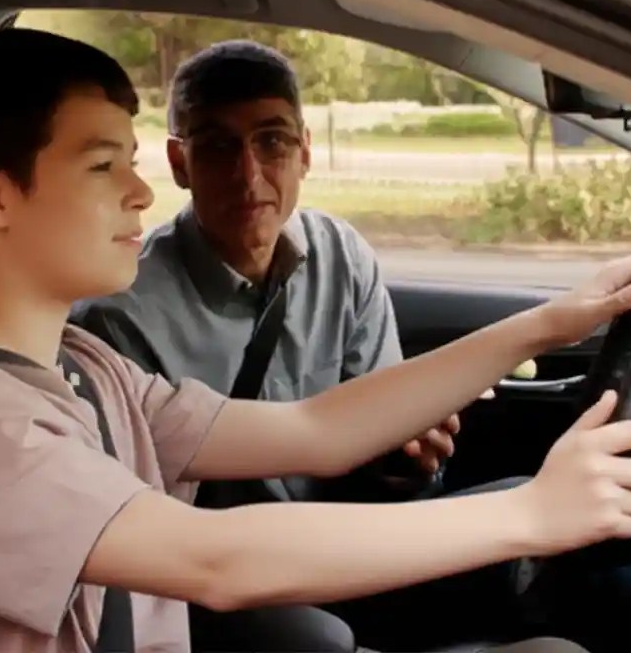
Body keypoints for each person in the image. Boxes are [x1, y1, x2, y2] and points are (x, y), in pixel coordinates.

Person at [0, 28, 631, 653]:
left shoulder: (79, 365)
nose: (142, 193)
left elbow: (315, 429)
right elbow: (217, 560)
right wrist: (531, 513)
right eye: (103, 168)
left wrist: (550, 322)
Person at [75, 40, 453, 504]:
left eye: (272, 142)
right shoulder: (122, 315)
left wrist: (403, 458)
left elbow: (378, 438)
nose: (248, 176)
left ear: (305, 153)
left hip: (350, 544)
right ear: (179, 164)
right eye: (217, 147)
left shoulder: (342, 258)